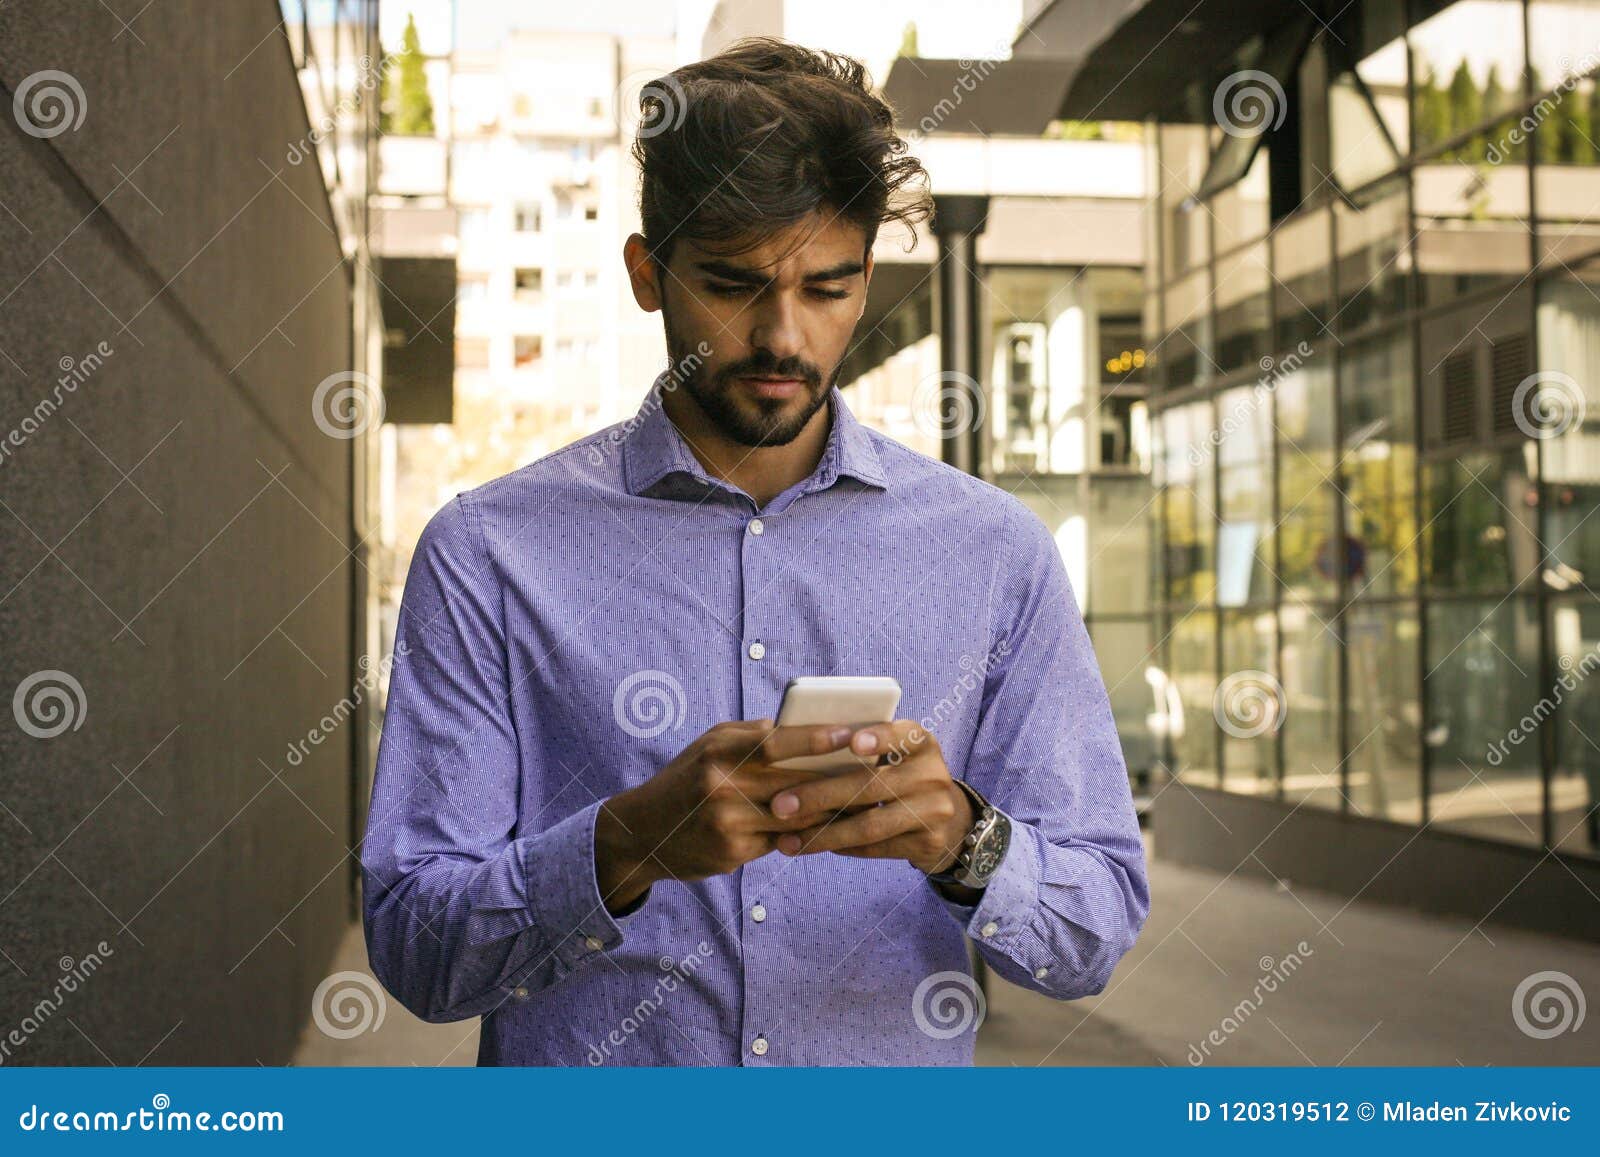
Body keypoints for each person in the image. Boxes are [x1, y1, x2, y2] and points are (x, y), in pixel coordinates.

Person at [360, 36, 1149, 1066]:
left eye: (825, 288)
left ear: (865, 280)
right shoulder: (488, 553)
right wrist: (626, 841)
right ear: (649, 274)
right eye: (734, 284)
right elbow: (418, 948)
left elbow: (1093, 932)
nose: (783, 336)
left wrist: (963, 838)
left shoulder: (994, 553)